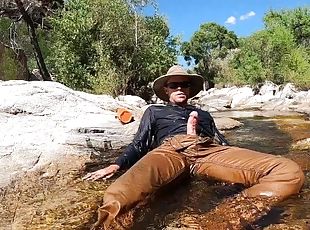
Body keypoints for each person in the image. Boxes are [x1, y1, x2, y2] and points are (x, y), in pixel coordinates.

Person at [83, 65, 305, 229]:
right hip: (170, 150)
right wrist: (115, 165)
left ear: (190, 89)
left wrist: (238, 162)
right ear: (166, 90)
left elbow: (222, 143)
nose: (180, 88)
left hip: (205, 150)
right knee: (118, 195)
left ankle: (215, 223)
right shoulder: (155, 111)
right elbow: (139, 143)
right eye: (174, 85)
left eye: (184, 84)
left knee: (288, 172)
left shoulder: (204, 114)